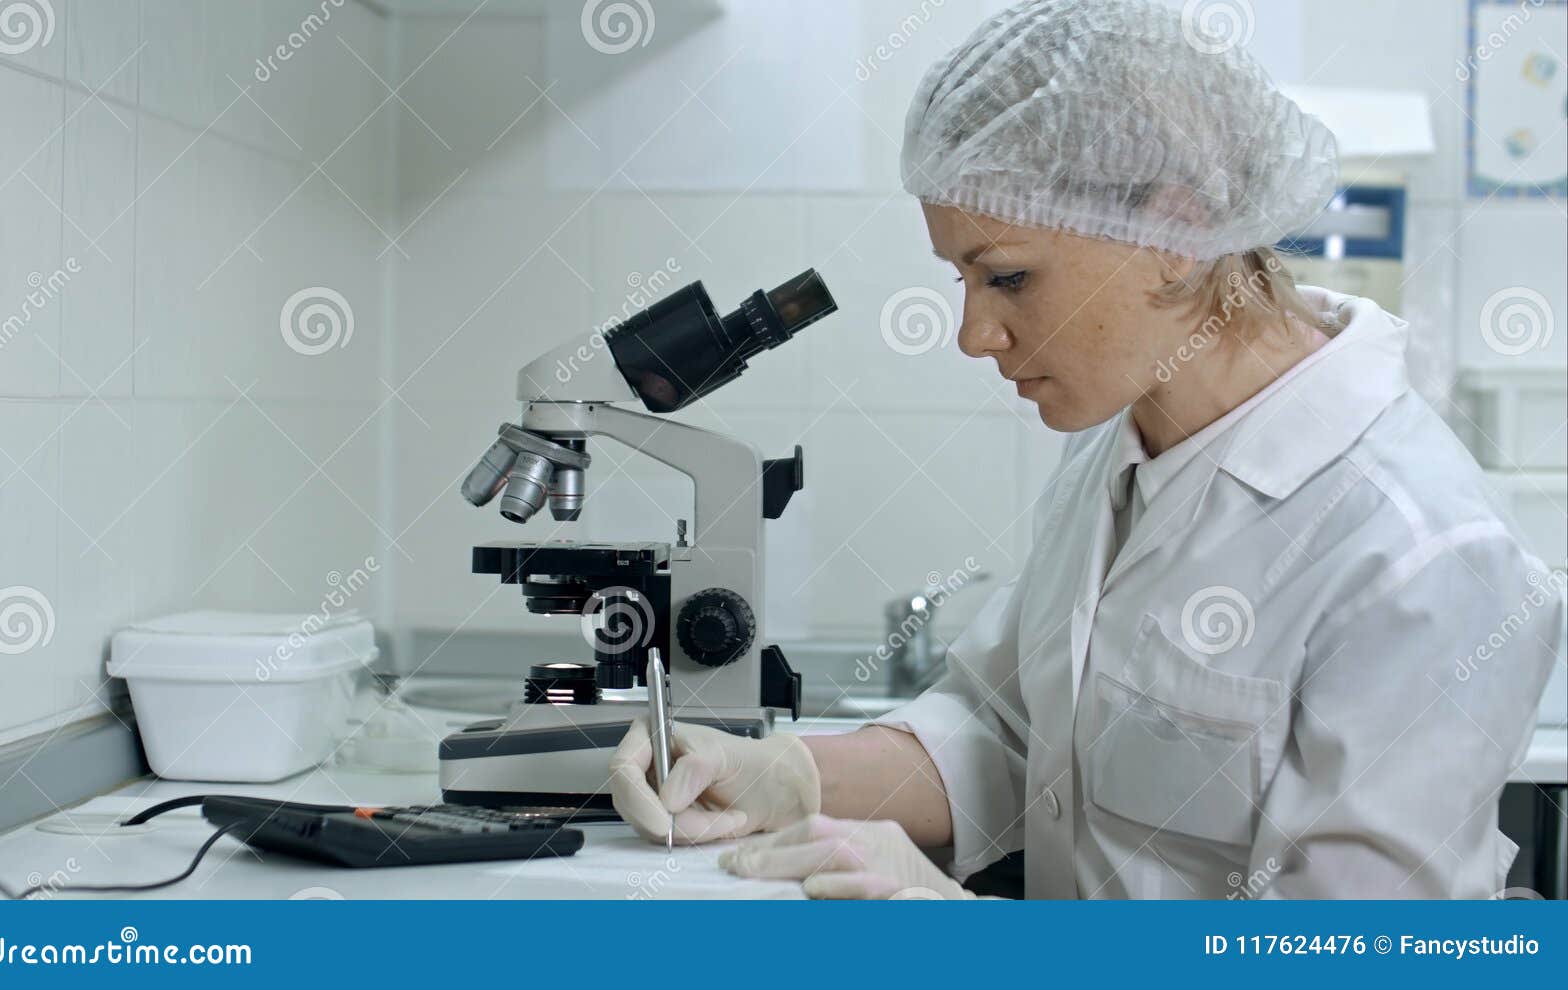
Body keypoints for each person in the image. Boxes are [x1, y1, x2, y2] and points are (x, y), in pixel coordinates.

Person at [610, 0, 1563, 899]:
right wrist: (785, 772)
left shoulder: (1421, 556)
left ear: (1177, 230)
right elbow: (1013, 733)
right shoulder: (1126, 442)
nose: (973, 334)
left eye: (1009, 278)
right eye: (962, 280)